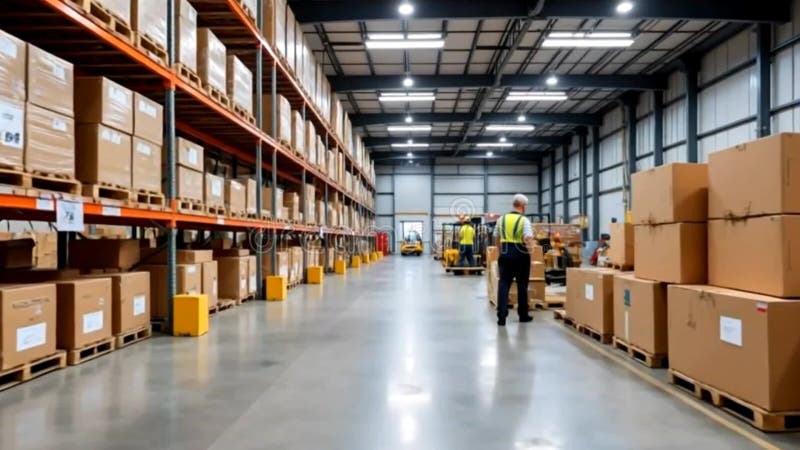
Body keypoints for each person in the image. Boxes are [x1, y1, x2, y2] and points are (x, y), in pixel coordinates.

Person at [493, 194, 535, 326]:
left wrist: (501, 251)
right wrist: (531, 256)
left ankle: (501, 316)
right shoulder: (524, 221)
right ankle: (523, 315)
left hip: (505, 254)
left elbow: (496, 238)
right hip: (521, 254)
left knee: (504, 284)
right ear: (522, 206)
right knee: (522, 285)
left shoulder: (501, 219)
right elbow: (528, 239)